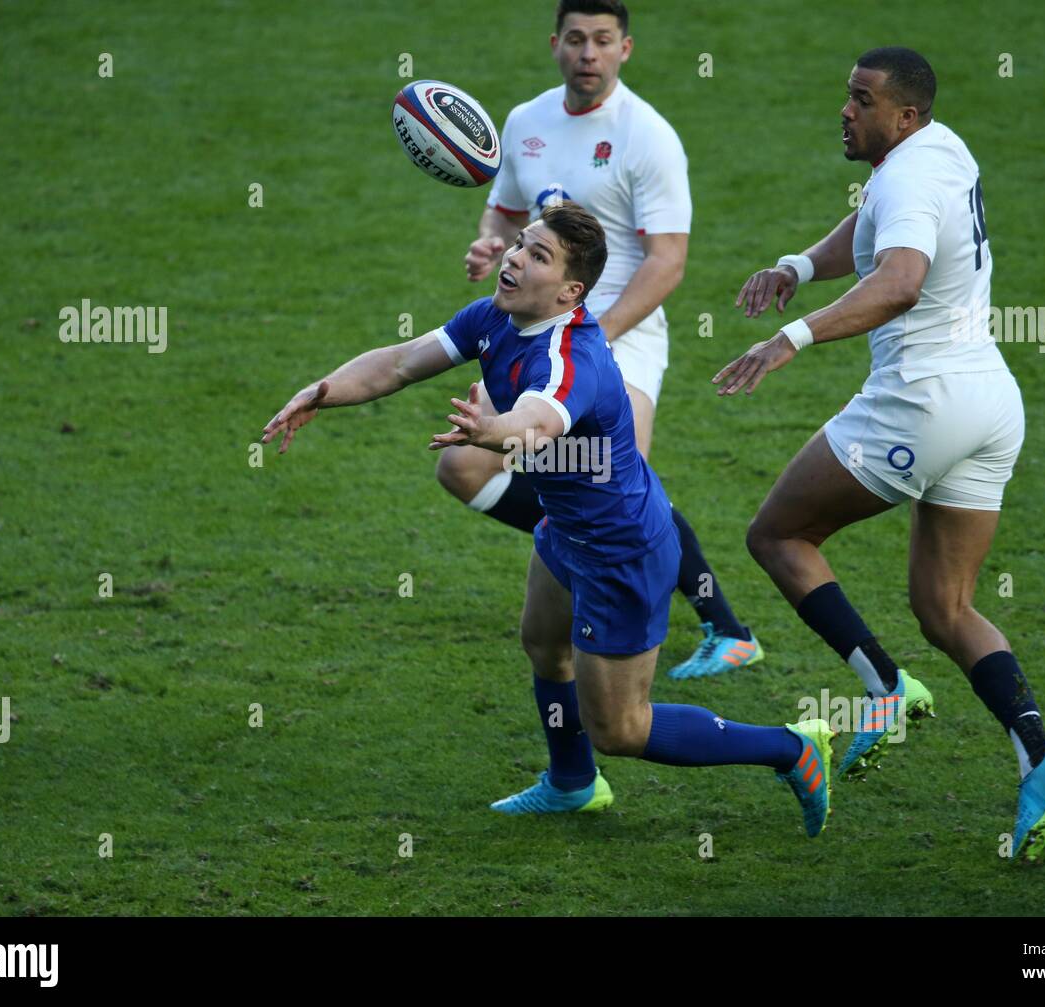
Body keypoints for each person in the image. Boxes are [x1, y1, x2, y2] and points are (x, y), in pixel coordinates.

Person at [263, 202, 833, 833]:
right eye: (520, 244)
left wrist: (488, 432)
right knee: (544, 645)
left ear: (570, 291)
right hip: (566, 527)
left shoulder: (570, 358)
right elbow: (400, 362)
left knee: (622, 728)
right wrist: (320, 392)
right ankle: (572, 781)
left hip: (620, 549)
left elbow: (534, 424)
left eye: (538, 255)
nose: (514, 258)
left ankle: (791, 748)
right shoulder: (493, 317)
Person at [719, 48, 1045, 861]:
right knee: (944, 607)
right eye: (848, 94)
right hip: (990, 403)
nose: (845, 110)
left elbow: (900, 281)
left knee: (778, 535)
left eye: (862, 99)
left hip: (920, 404)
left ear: (905, 115)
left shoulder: (907, 178)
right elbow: (876, 227)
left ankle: (885, 689)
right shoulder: (940, 149)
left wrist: (790, 337)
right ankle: (1040, 754)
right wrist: (798, 267)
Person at [438, 0, 761, 679]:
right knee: (463, 468)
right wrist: (489, 244)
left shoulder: (648, 136)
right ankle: (587, 548)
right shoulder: (525, 122)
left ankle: (727, 628)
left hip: (622, 332)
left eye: (604, 40)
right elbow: (504, 215)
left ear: (625, 49)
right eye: (577, 39)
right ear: (555, 43)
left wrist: (591, 343)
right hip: (540, 328)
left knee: (618, 475)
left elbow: (668, 262)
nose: (589, 53)